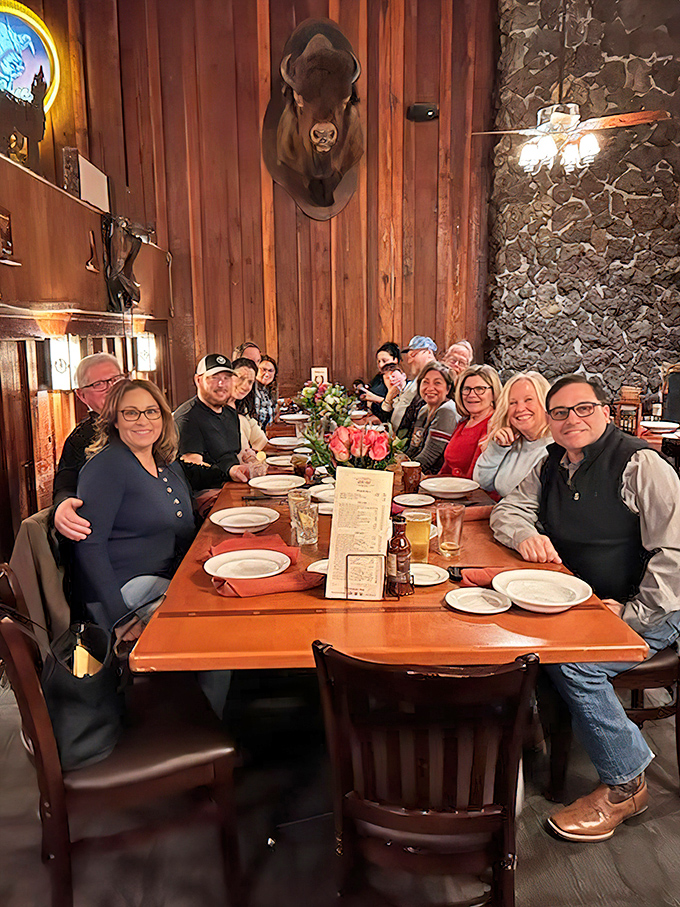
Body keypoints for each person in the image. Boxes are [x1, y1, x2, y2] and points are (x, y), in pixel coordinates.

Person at [490, 374, 680, 842]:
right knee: (504, 627)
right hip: (578, 601)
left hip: (649, 609)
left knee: (571, 660)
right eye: (560, 412)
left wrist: (631, 614)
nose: (571, 419)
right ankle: (529, 719)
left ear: (605, 412)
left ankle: (625, 783)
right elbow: (506, 511)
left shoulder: (640, 463)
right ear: (551, 422)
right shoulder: (552, 462)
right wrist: (524, 534)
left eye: (583, 408)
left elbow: (675, 556)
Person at [75, 379, 195, 631]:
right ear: (114, 420)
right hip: (131, 587)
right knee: (205, 626)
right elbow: (90, 548)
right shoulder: (107, 468)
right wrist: (122, 619)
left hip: (173, 576)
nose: (143, 421)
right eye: (131, 413)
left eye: (152, 411)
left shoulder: (165, 461)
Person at [53, 352, 126, 541]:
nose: (110, 389)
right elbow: (65, 486)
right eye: (98, 384)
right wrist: (63, 505)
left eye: (115, 380)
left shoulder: (144, 423)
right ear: (81, 395)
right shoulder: (79, 439)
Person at [474, 371, 551, 498]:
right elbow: (482, 482)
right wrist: (496, 449)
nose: (520, 408)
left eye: (528, 400)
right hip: (505, 515)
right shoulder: (513, 442)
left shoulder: (559, 447)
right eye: (513, 403)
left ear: (546, 403)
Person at [174, 354, 248, 483]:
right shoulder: (187, 418)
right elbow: (194, 470)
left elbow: (235, 454)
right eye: (214, 378)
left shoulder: (230, 413)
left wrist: (251, 460)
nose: (221, 384)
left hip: (234, 484)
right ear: (198, 380)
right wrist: (229, 472)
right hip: (209, 492)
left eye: (227, 378)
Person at [440, 365, 501, 478]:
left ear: (493, 393)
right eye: (467, 389)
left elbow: (475, 478)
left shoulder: (493, 426)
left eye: (480, 389)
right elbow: (447, 467)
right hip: (449, 488)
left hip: (473, 493)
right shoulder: (464, 423)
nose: (472, 395)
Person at [405, 362, 459, 474]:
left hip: (438, 477)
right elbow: (414, 446)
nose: (430, 388)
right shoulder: (424, 410)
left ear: (448, 389)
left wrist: (404, 471)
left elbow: (429, 457)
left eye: (437, 383)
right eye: (425, 382)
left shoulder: (447, 411)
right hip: (421, 471)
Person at [230, 357, 268, 451]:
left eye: (250, 382)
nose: (245, 386)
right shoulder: (216, 409)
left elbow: (261, 441)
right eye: (241, 378)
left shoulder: (242, 407)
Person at [232, 340, 271, 429]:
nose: (255, 366)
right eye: (249, 361)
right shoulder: (231, 390)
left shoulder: (259, 387)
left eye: (258, 361)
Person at [360, 342, 401, 418]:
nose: (381, 365)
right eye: (379, 361)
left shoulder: (397, 379)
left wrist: (376, 399)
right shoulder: (378, 377)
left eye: (384, 361)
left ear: (395, 360)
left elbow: (397, 407)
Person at [257, 355, 278, 426]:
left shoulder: (270, 391)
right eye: (263, 370)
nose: (267, 374)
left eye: (270, 371)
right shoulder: (250, 390)